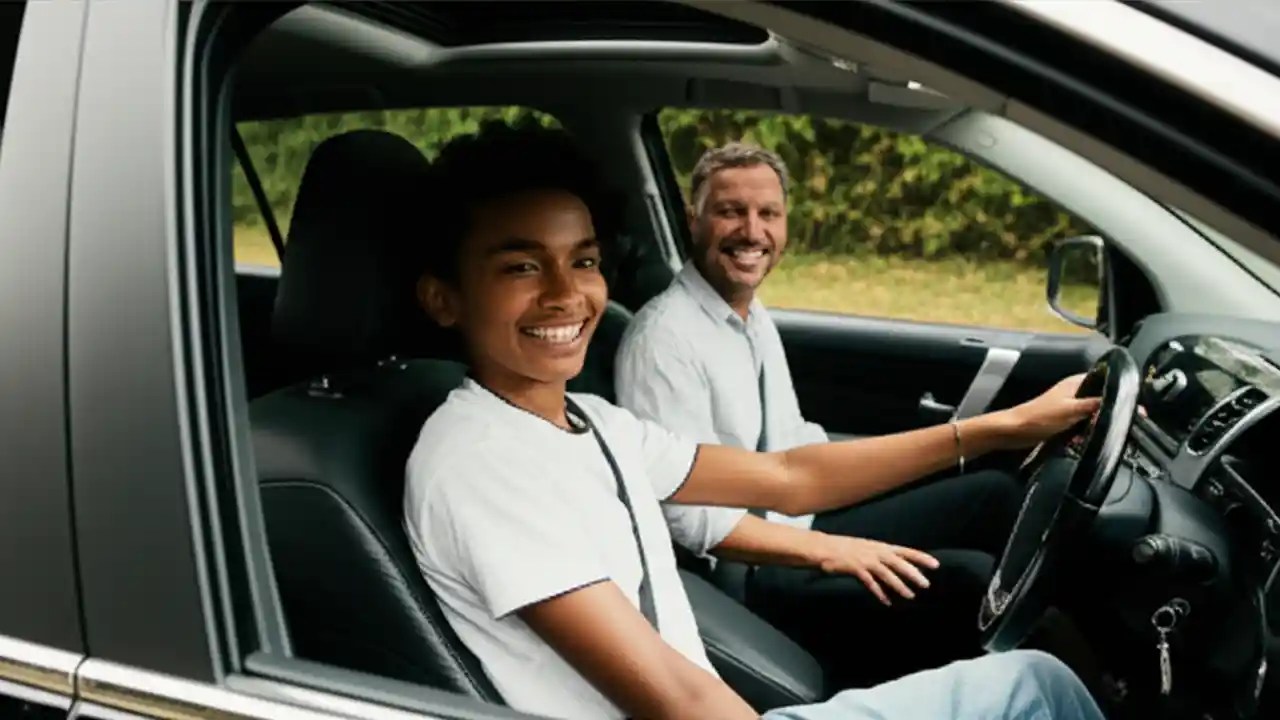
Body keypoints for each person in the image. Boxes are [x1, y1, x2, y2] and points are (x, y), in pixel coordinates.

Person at [402, 121, 1106, 720]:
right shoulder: (479, 460)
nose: (567, 294)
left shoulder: (591, 422)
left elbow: (789, 475)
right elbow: (678, 700)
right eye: (522, 266)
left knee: (1042, 679)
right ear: (443, 298)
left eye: (583, 261)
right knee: (1037, 688)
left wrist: (1004, 427)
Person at [614, 141, 1030, 685]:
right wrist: (827, 550)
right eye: (730, 211)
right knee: (969, 579)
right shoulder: (662, 342)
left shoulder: (745, 312)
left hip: (793, 514)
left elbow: (795, 441)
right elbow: (690, 518)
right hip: (747, 574)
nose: (752, 232)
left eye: (769, 214)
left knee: (993, 495)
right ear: (694, 221)